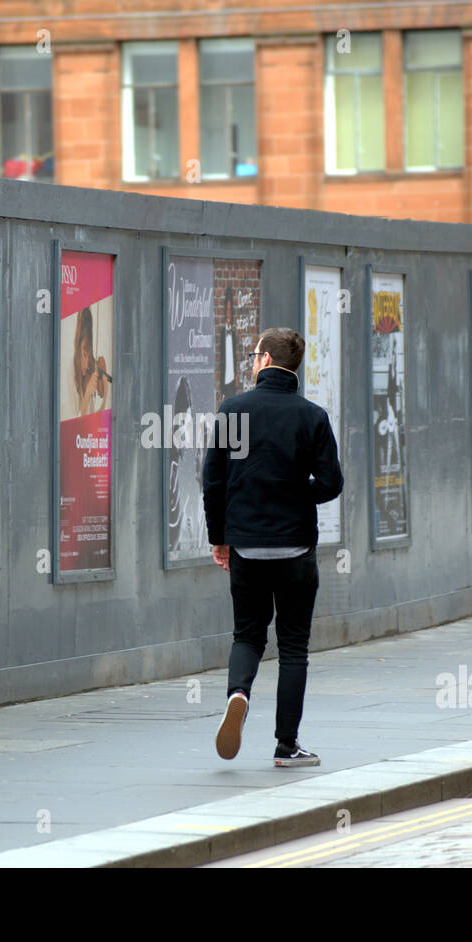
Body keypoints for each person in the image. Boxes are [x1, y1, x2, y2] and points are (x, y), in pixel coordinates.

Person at [202, 327, 343, 767]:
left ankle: (238, 693)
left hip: (246, 545)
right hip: (295, 549)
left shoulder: (234, 411)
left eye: (253, 354)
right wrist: (296, 492)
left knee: (247, 634)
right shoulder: (312, 417)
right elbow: (331, 483)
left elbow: (213, 481)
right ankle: (287, 745)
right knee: (294, 647)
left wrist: (219, 538)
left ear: (264, 360)